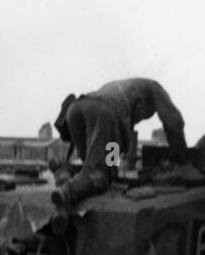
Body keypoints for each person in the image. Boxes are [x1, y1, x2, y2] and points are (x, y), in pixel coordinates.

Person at [51, 79, 188, 232]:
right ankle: (67, 192)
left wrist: (113, 165)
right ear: (143, 103)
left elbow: (114, 142)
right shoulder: (153, 87)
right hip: (104, 113)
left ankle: (64, 173)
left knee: (90, 170)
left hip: (76, 111)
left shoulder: (120, 88)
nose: (141, 118)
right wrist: (181, 156)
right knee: (100, 175)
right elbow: (174, 120)